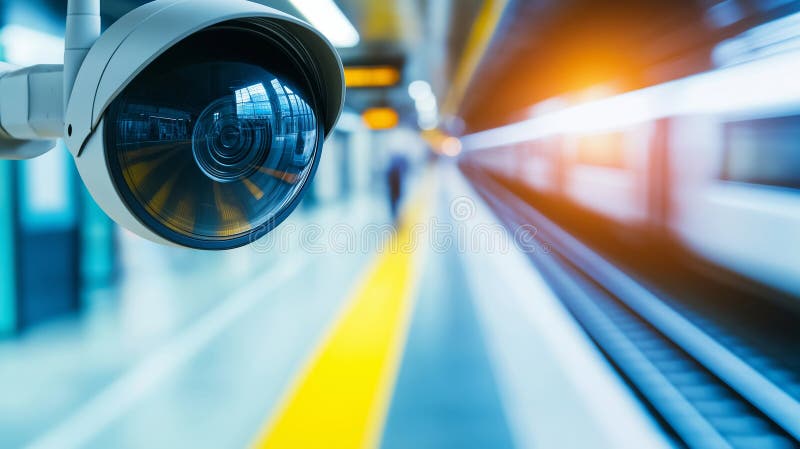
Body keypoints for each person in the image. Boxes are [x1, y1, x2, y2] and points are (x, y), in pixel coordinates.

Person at [386, 154, 408, 222]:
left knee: (395, 206)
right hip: (394, 193)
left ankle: (397, 218)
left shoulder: (392, 172)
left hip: (394, 193)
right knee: (395, 206)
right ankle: (396, 218)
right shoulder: (394, 172)